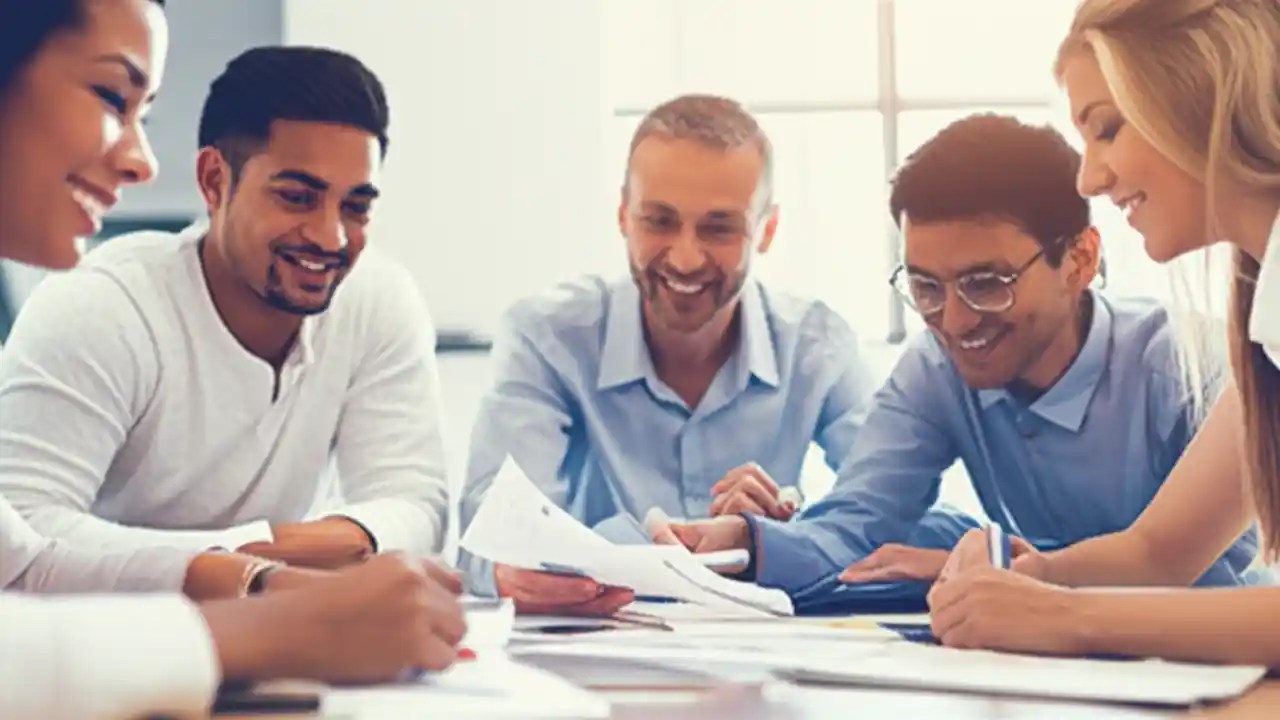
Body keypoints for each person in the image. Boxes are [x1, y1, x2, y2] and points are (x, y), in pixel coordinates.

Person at [0, 2, 464, 718]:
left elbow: (417, 507)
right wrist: (271, 589)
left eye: (356, 207)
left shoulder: (378, 296)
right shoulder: (100, 305)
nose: (330, 236)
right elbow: (28, 548)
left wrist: (258, 578)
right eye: (111, 97)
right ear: (215, 182)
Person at [649, 114, 1257, 601]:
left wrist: (987, 566)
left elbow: (1211, 576)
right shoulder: (935, 369)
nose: (956, 320)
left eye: (987, 283)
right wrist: (746, 544)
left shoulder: (1185, 365)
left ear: (1079, 260)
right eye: (926, 286)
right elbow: (860, 522)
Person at [928, 0, 1280, 665]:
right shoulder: (1266, 315)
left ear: (1205, 96)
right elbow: (1160, 552)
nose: (1090, 178)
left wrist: (1064, 616)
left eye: (1108, 128)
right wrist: (1030, 575)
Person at [459, 94, 886, 613]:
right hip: (603, 639)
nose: (685, 259)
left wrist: (775, 538)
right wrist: (515, 567)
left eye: (719, 228)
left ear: (767, 230)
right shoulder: (549, 338)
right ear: (623, 215)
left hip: (763, 645)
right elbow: (491, 536)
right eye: (659, 221)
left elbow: (907, 521)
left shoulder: (819, 347)